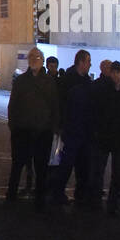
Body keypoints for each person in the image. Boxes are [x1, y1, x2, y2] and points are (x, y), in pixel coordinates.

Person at [6, 47, 58, 209]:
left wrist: (52, 128)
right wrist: (13, 125)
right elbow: (13, 105)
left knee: (41, 168)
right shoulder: (21, 81)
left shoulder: (49, 82)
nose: (34, 60)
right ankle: (11, 197)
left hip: (42, 133)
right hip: (22, 131)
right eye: (31, 57)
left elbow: (55, 107)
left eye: (37, 57)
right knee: (17, 165)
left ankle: (39, 200)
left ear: (42, 61)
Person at [51, 50, 96, 205]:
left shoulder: (86, 81)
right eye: (88, 61)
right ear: (81, 62)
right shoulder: (68, 80)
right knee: (66, 164)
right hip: (71, 130)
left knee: (82, 166)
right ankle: (58, 192)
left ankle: (80, 193)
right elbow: (61, 105)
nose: (90, 64)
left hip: (84, 130)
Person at [93, 61, 120, 216]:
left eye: (118, 72)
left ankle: (112, 203)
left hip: (119, 139)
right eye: (114, 72)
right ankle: (98, 201)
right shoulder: (106, 91)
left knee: (117, 173)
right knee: (100, 170)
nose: (116, 75)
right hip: (106, 137)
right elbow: (98, 112)